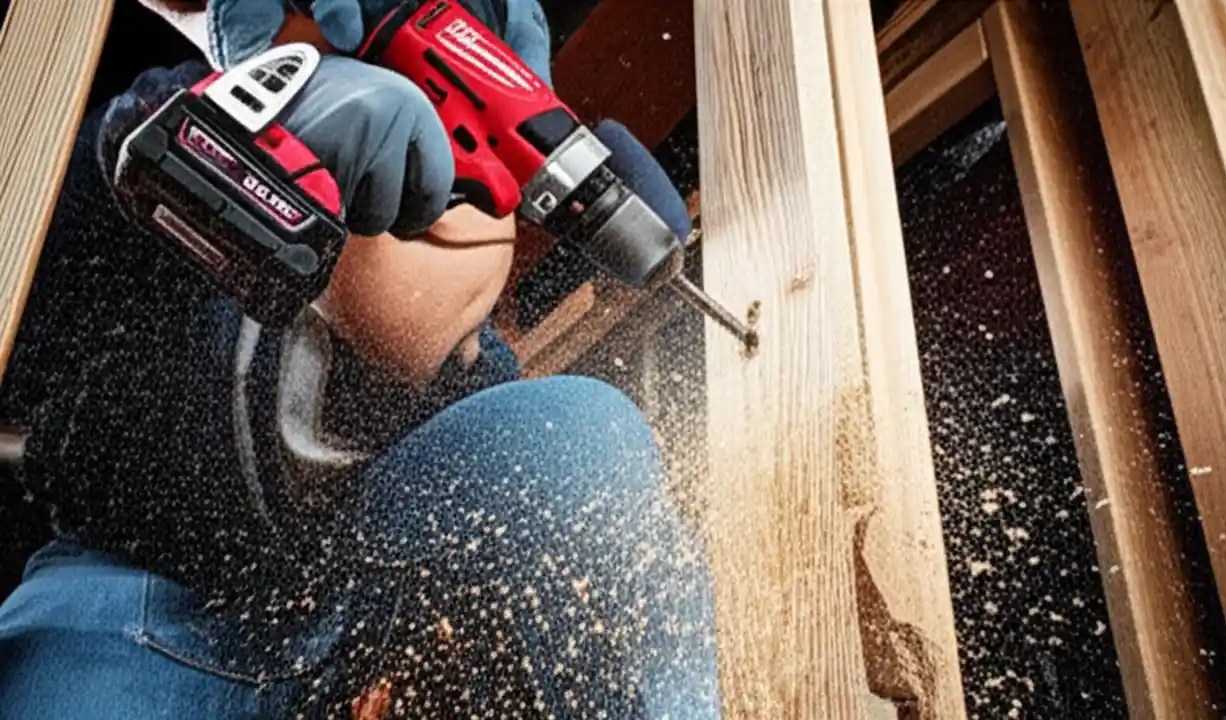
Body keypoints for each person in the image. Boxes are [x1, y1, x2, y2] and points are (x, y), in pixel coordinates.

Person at [0, 1, 721, 717]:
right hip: (133, 591)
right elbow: (39, 270)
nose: (451, 188)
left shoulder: (470, 364)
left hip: (347, 590)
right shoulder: (171, 127)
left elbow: (428, 348)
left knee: (580, 440)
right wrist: (202, 133)